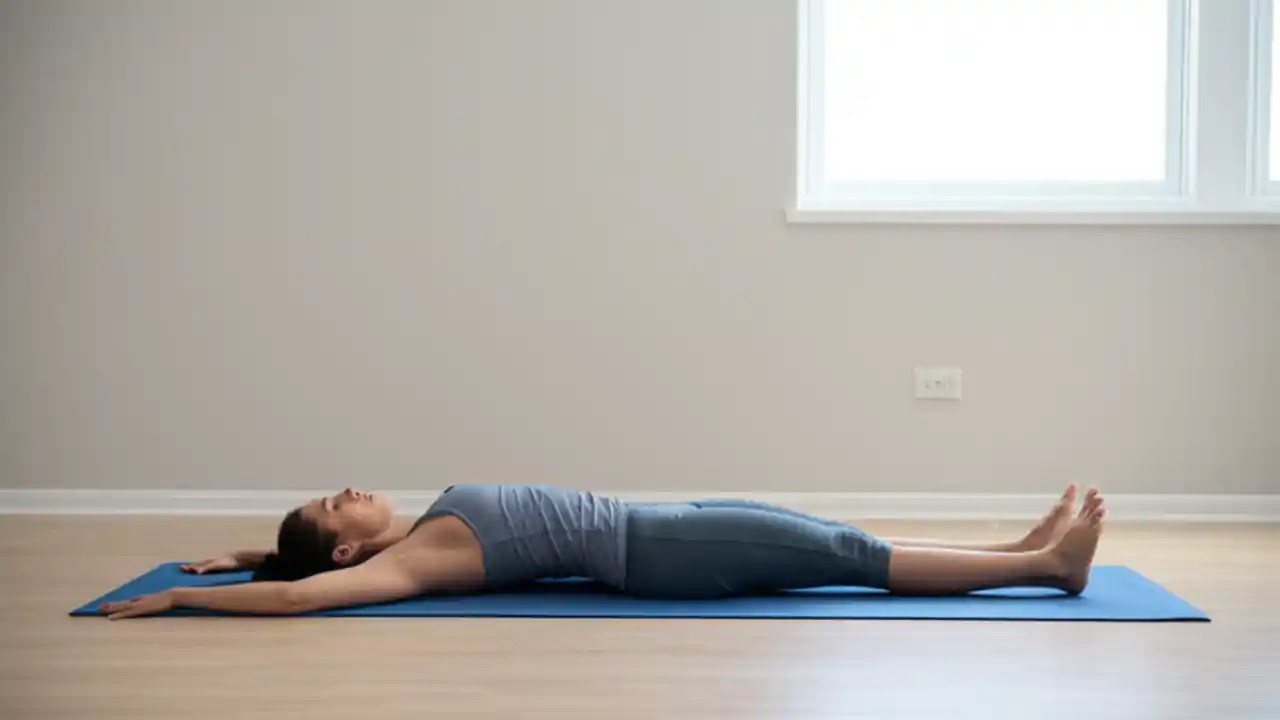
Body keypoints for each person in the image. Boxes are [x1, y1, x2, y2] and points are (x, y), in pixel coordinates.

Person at [98, 483, 1106, 620]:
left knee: (840, 543)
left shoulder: (406, 533)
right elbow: (303, 599)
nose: (349, 488)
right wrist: (188, 603)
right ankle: (1040, 569)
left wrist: (238, 553)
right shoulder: (412, 560)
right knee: (844, 550)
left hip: (663, 529)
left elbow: (297, 572)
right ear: (350, 549)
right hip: (660, 547)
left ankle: (1011, 550)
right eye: (336, 504)